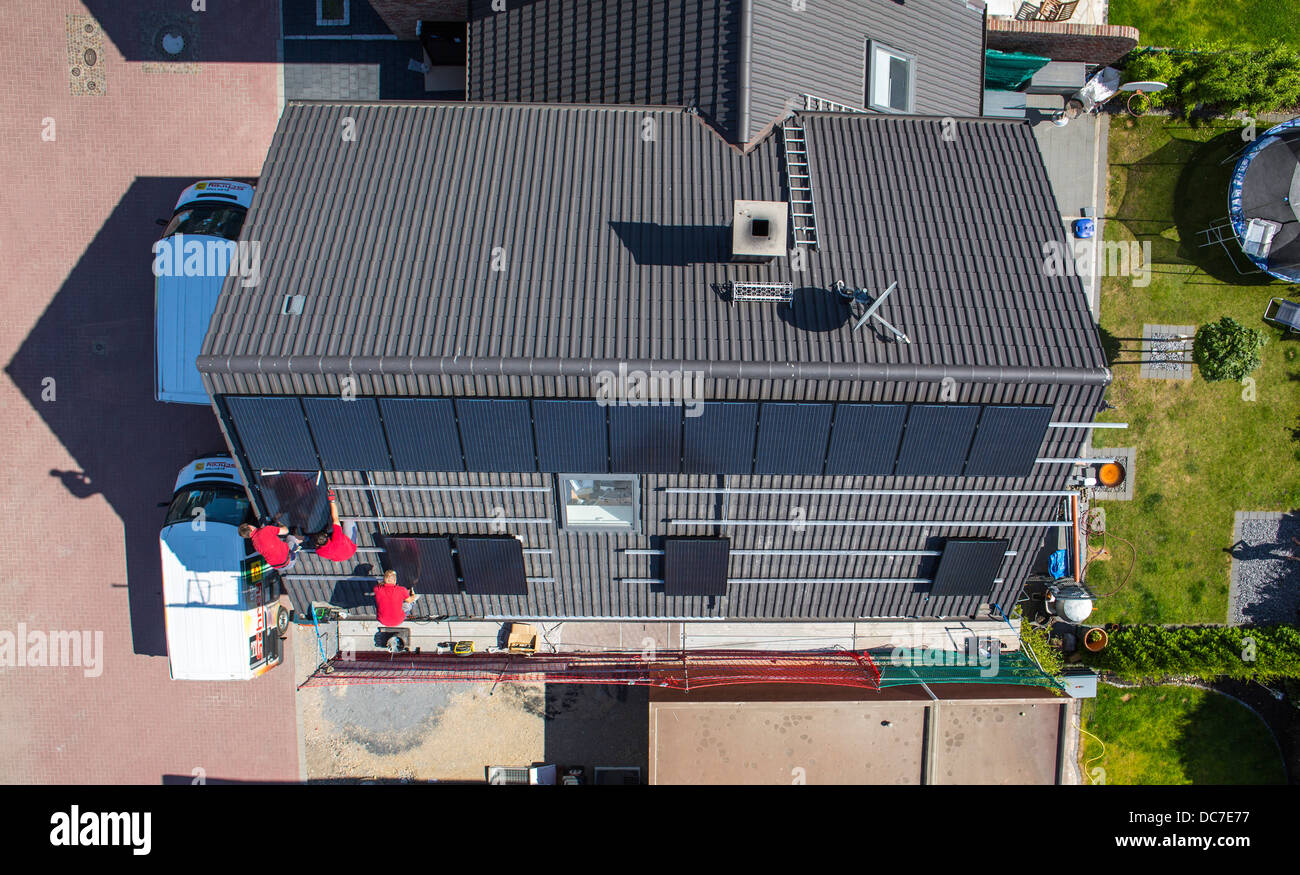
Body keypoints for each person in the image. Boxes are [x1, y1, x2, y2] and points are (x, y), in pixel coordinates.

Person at [312, 490, 357, 563]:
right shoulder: (336, 539)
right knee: (349, 520)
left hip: (341, 555)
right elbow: (335, 519)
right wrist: (332, 500)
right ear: (326, 537)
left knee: (334, 525)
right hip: (350, 549)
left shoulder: (320, 551)